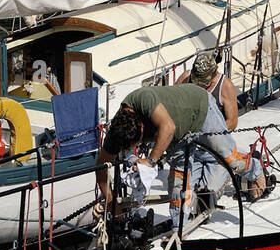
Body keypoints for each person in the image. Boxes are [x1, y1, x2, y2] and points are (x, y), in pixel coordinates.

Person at [96, 82, 267, 227]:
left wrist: (150, 160)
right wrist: (112, 204)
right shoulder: (116, 133)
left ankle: (256, 170)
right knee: (179, 183)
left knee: (229, 158)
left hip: (199, 110)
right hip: (175, 136)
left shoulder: (143, 99)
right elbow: (101, 169)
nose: (138, 145)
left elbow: (168, 127)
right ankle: (180, 229)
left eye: (139, 140)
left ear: (142, 126)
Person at [177, 51, 239, 130]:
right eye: (196, 81)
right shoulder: (185, 78)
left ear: (214, 74)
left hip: (213, 133)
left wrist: (210, 134)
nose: (199, 85)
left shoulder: (225, 86)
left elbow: (232, 122)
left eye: (203, 82)